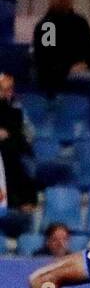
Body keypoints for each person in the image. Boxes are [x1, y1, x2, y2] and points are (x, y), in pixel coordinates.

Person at [33, 0, 90, 94]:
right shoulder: (47, 26)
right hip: (56, 77)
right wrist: (69, 69)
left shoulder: (80, 23)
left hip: (82, 72)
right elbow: (46, 61)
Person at [0, 72, 36, 212]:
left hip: (12, 149)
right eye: (4, 89)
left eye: (10, 89)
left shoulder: (15, 110)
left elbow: (26, 135)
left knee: (13, 154)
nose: (8, 93)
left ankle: (20, 201)